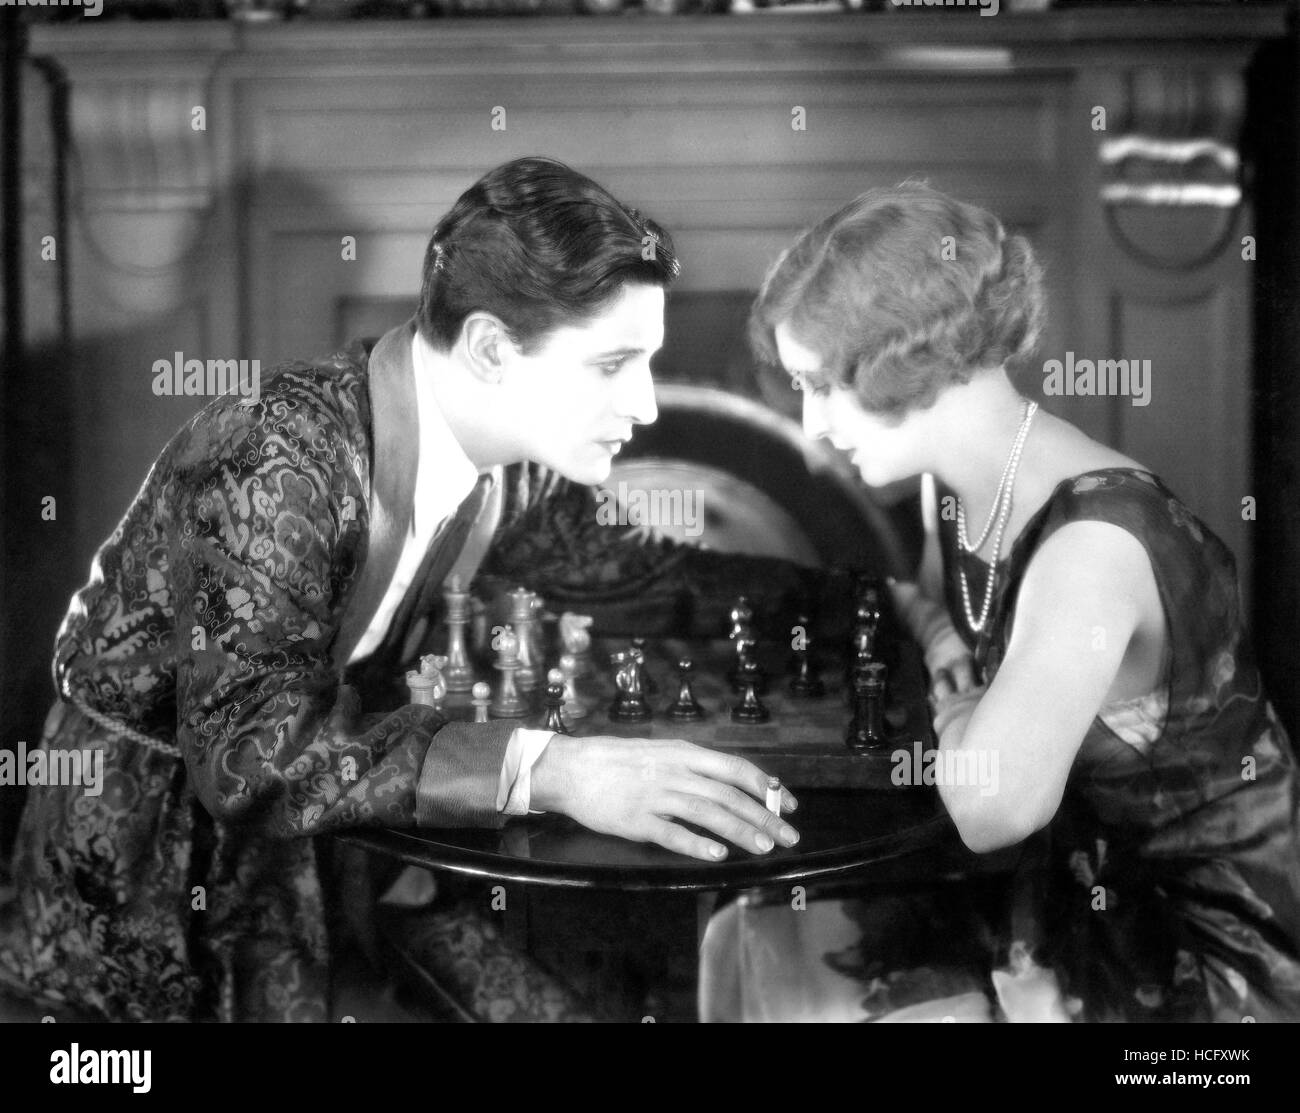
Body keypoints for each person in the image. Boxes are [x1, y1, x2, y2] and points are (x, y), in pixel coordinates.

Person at [0, 157, 805, 1022]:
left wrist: (895, 612)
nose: (645, 405)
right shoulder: (279, 453)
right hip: (143, 880)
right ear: (493, 347)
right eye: (613, 364)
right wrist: (556, 769)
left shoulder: (512, 469)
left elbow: (648, 572)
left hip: (323, 857)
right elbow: (247, 750)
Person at [701, 182, 1300, 1022]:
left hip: (1204, 964)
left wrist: (962, 721)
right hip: (1063, 898)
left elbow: (989, 806)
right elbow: (948, 649)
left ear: (906, 359)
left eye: (823, 384)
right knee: (742, 939)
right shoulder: (948, 493)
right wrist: (950, 675)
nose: (811, 423)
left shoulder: (1095, 543)